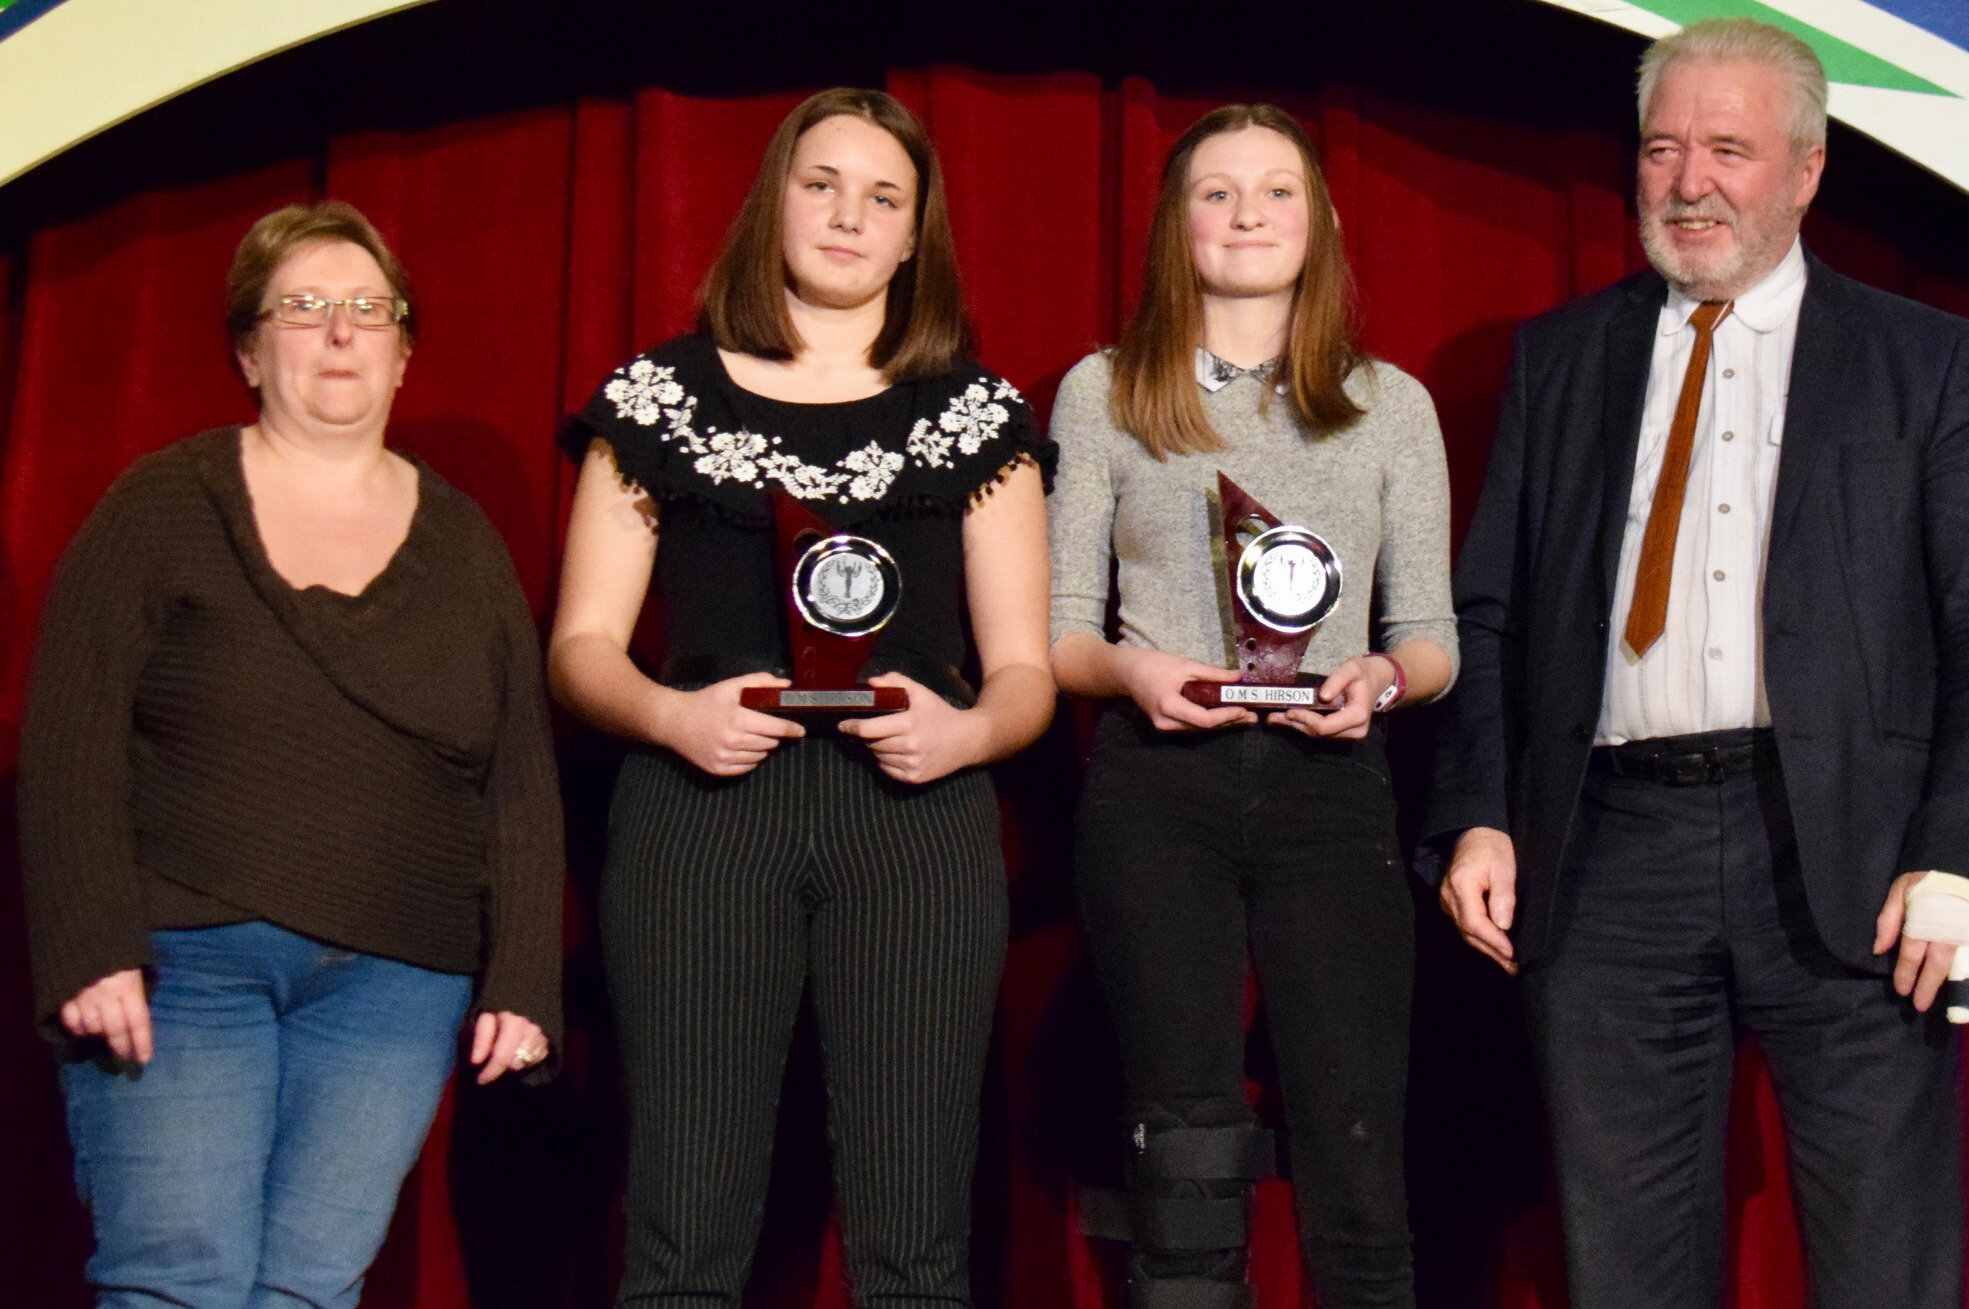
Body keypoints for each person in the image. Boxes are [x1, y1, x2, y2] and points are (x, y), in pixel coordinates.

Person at [1426, 18, 1969, 1309]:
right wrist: (1478, 812)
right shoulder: (1560, 358)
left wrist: (1962, 860)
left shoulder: (1920, 361)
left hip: (1858, 864)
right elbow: (1489, 613)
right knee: (1625, 1275)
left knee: (1884, 1268)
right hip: (1605, 867)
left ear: (1806, 170)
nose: (1686, 181)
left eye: (1724, 150)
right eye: (1660, 148)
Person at [549, 88, 1054, 1305]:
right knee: (683, 1229)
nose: (847, 216)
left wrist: (971, 731)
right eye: (821, 183)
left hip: (914, 822)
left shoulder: (975, 415)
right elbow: (580, 647)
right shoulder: (658, 399)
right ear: (774, 197)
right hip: (700, 814)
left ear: (915, 233)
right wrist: (671, 715)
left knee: (916, 1235)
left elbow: (1027, 672)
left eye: (883, 197)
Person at [17, 200, 564, 1309]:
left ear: (405, 353)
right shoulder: (162, 505)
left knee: (312, 1289)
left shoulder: (463, 541)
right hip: (182, 967)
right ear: (248, 349)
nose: (340, 332)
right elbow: (68, 738)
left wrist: (523, 975)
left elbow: (517, 778)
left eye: (369, 309)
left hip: (398, 978)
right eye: (304, 307)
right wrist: (89, 941)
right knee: (181, 1282)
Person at [1048, 104, 1456, 1308]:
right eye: (1215, 193)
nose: (1246, 216)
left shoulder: (1393, 406)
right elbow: (1062, 629)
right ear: (1178, 227)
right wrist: (1134, 670)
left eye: (1275, 191)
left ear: (1319, 223)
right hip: (1155, 785)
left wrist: (1379, 681)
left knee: (1354, 1124)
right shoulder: (1104, 391)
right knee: (1181, 1131)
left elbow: (1427, 638)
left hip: (1331, 788)